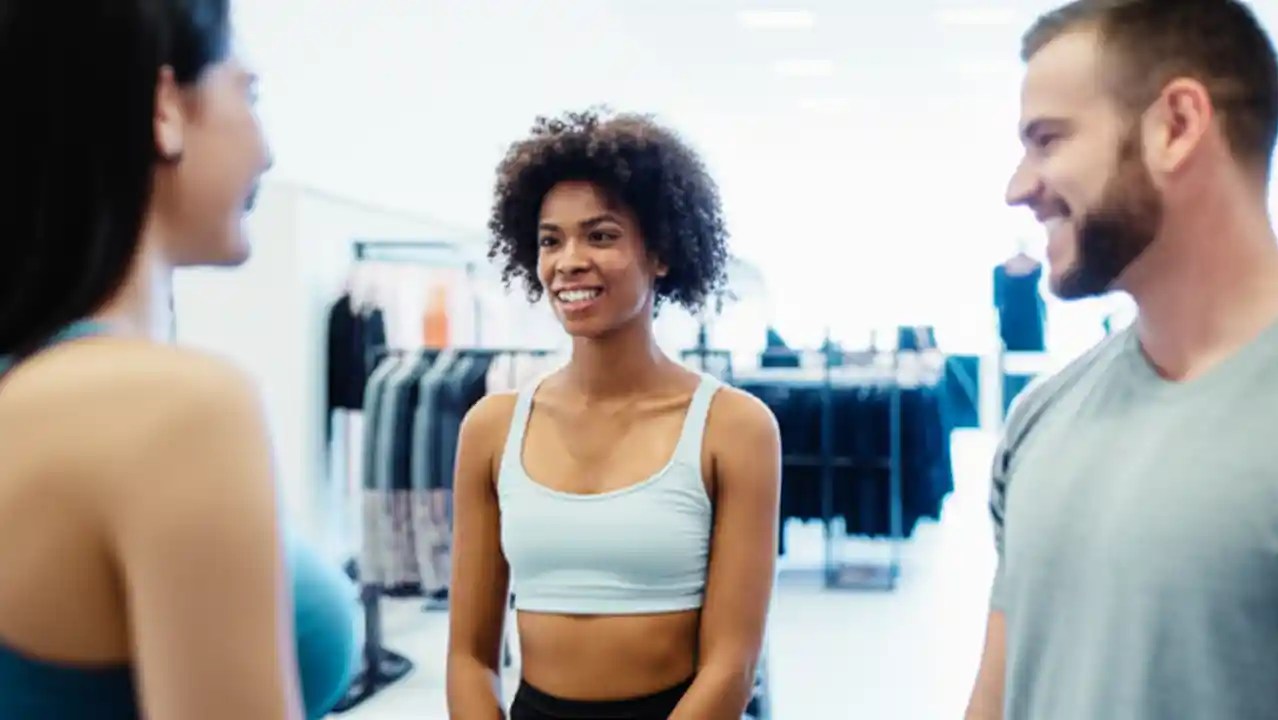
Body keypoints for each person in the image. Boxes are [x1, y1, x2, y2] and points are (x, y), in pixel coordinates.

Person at [0, 2, 357, 719]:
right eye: (247, 94)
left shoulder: (30, 388)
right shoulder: (173, 409)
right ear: (165, 107)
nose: (267, 149)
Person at [966, 2, 1278, 719]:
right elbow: (997, 696)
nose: (1019, 187)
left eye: (1048, 140)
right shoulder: (1041, 419)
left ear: (1176, 126)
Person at [446, 108, 782, 720]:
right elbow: (469, 657)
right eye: (551, 240)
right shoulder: (492, 429)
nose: (569, 260)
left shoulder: (733, 428)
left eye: (600, 236)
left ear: (661, 253)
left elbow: (732, 662)